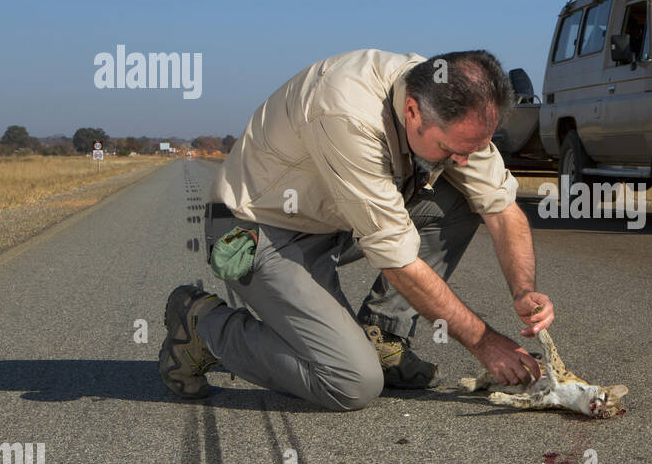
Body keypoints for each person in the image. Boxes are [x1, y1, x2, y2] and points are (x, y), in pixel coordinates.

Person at [158, 48, 554, 411]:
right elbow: (397, 260)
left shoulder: (455, 105)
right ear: (413, 112)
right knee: (350, 381)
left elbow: (502, 209)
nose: (464, 160)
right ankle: (203, 326)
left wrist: (523, 289)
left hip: (335, 220)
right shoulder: (347, 114)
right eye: (453, 150)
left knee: (462, 196)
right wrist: (485, 342)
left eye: (473, 148)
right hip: (264, 228)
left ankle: (383, 335)